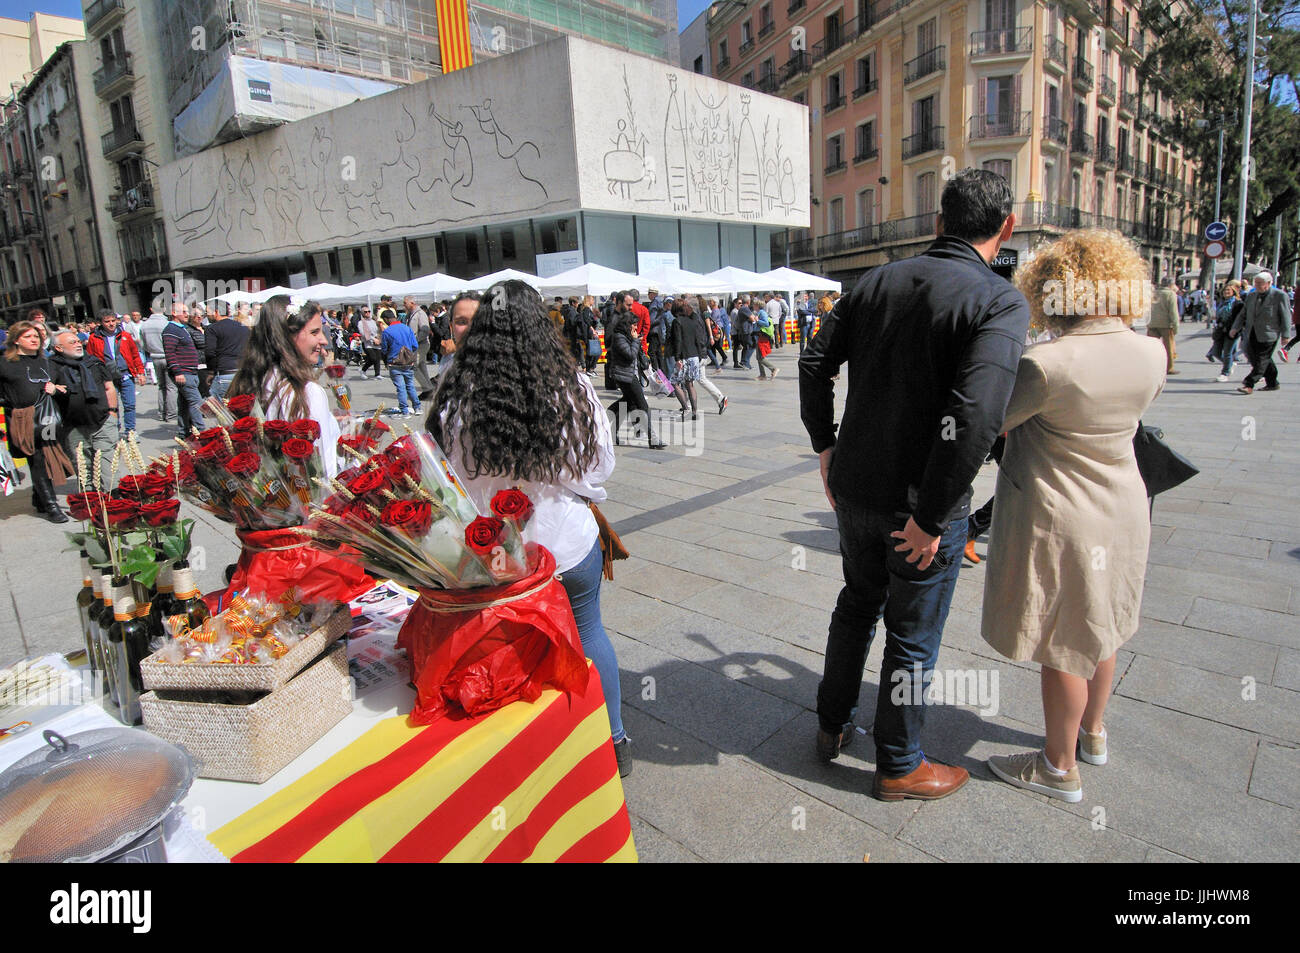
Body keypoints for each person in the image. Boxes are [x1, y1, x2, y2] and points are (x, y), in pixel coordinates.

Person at [798, 168, 1030, 801]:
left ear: (938, 224)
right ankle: (899, 763)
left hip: (855, 487)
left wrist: (826, 443)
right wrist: (931, 516)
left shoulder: (874, 280)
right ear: (1005, 229)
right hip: (918, 501)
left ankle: (832, 722)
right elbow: (977, 413)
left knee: (856, 602)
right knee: (910, 633)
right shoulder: (1000, 299)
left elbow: (814, 360)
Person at [982, 229, 1166, 802]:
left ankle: (1058, 767)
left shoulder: (1047, 364)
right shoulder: (1150, 351)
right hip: (1125, 505)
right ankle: (1093, 734)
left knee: (1064, 637)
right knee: (1104, 625)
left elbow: (995, 422)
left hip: (1065, 511)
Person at [428, 280, 630, 776]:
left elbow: (444, 479)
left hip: (495, 553)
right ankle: (614, 741)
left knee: (513, 653)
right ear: (540, 326)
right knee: (588, 633)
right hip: (567, 542)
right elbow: (600, 468)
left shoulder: (456, 393)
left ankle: (538, 758)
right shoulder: (574, 388)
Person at [226, 296, 340, 480]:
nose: (324, 340)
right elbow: (324, 470)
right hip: (306, 500)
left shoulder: (251, 381)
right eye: (314, 332)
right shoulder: (307, 392)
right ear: (287, 337)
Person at [0, 320, 72, 522]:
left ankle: (39, 498)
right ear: (16, 340)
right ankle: (51, 506)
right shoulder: (4, 364)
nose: (34, 339)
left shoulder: (48, 362)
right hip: (23, 419)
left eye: (36, 336)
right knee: (37, 458)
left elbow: (66, 388)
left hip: (49, 417)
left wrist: (56, 390)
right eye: (28, 336)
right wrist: (13, 402)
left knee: (48, 456)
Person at [49, 330, 118, 491]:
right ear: (59, 348)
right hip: (73, 425)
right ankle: (90, 500)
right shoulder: (52, 365)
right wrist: (53, 388)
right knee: (84, 466)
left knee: (107, 464)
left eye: (78, 341)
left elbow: (109, 387)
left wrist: (113, 412)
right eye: (72, 342)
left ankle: (112, 498)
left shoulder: (94, 362)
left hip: (102, 421)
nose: (78, 344)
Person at [605, 292, 664, 449]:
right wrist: (636, 341)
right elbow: (629, 353)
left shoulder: (626, 329)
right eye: (628, 305)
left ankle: (606, 423)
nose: (636, 327)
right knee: (642, 405)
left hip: (629, 372)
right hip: (624, 374)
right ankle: (653, 438)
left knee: (627, 402)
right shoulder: (617, 331)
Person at [84, 309, 145, 436]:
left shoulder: (125, 336)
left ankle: (130, 431)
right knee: (112, 407)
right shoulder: (94, 338)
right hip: (107, 378)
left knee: (130, 405)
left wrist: (140, 372)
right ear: (100, 323)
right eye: (107, 322)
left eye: (113, 321)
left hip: (126, 375)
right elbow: (89, 358)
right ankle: (114, 431)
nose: (111, 324)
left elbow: (135, 355)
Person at [1230, 271, 1292, 394]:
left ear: (1268, 283)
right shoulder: (1251, 296)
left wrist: (1286, 335)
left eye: (1260, 283)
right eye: (1256, 283)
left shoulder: (1280, 296)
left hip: (1269, 333)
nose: (1257, 285)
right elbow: (1243, 314)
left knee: (1262, 359)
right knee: (1259, 358)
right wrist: (1235, 327)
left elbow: (1286, 316)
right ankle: (1272, 383)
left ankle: (1249, 384)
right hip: (1251, 332)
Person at [162, 306, 204, 437]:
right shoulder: (171, 330)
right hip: (184, 373)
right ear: (174, 313)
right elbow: (170, 353)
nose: (187, 314)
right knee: (196, 403)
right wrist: (177, 372)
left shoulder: (181, 329)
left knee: (185, 404)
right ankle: (202, 433)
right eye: (184, 312)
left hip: (190, 372)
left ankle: (183, 432)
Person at [204, 306, 252, 400]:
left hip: (225, 374)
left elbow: (210, 353)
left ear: (216, 312)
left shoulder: (212, 328)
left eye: (207, 312)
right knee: (241, 407)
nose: (206, 315)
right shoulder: (244, 328)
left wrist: (210, 372)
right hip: (243, 373)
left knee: (217, 410)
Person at [381, 308, 421, 417]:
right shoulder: (407, 329)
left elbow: (384, 349)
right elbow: (415, 345)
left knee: (400, 387)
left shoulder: (387, 332)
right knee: (410, 385)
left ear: (386, 319)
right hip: (408, 362)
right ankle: (417, 407)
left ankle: (404, 410)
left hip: (394, 363)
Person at [1209, 280, 1243, 382]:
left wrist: (1236, 329)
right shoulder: (1221, 303)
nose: (1226, 292)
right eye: (1224, 291)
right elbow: (1220, 316)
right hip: (1220, 330)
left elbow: (1240, 318)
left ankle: (1225, 373)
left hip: (1232, 331)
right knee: (1216, 352)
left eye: (1228, 290)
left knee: (1228, 352)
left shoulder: (1238, 303)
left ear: (1233, 291)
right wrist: (1215, 318)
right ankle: (1230, 364)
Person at [1146, 278, 1179, 375]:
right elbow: (1173, 312)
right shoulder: (1170, 294)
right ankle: (1169, 367)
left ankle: (1151, 366)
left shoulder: (1153, 293)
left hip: (1152, 323)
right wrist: (1176, 326)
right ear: (1171, 284)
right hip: (1166, 324)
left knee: (1152, 347)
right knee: (1168, 347)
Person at [403, 295, 433, 393]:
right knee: (421, 365)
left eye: (405, 303)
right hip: (415, 344)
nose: (404, 305)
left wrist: (415, 340)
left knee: (413, 365)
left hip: (421, 344)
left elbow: (425, 330)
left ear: (412, 303)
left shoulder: (420, 314)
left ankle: (427, 388)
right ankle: (429, 387)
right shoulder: (410, 314)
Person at [358, 306, 383, 378]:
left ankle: (377, 374)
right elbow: (363, 333)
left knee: (378, 358)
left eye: (369, 311)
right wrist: (373, 339)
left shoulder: (374, 321)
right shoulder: (361, 323)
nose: (367, 313)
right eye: (365, 312)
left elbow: (378, 330)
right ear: (362, 313)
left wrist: (378, 338)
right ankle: (363, 370)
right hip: (367, 343)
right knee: (373, 358)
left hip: (376, 342)